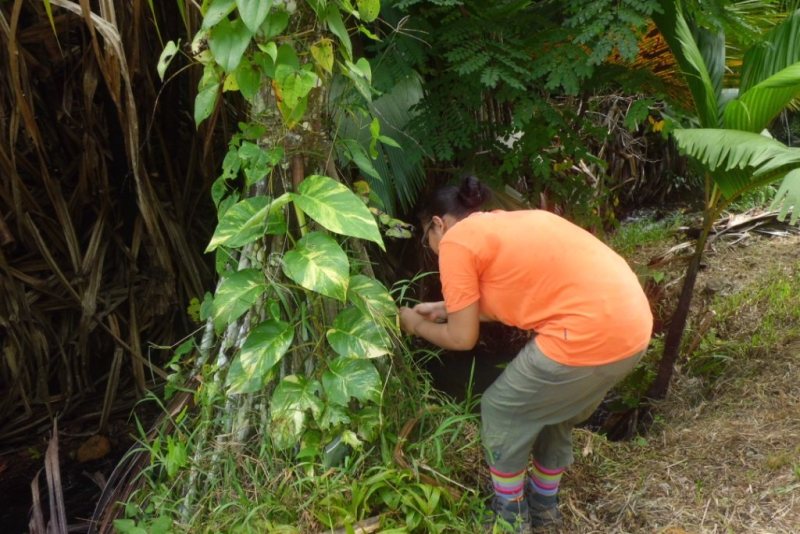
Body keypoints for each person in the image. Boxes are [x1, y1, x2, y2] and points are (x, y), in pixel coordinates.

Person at [399, 176, 653, 532]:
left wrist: (413, 324)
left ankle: (510, 514)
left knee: (499, 408)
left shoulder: (456, 242)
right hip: (632, 333)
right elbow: (510, 294)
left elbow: (462, 338)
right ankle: (545, 505)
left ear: (438, 224)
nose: (431, 245)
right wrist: (445, 307)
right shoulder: (509, 222)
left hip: (584, 337)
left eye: (427, 235)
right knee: (553, 411)